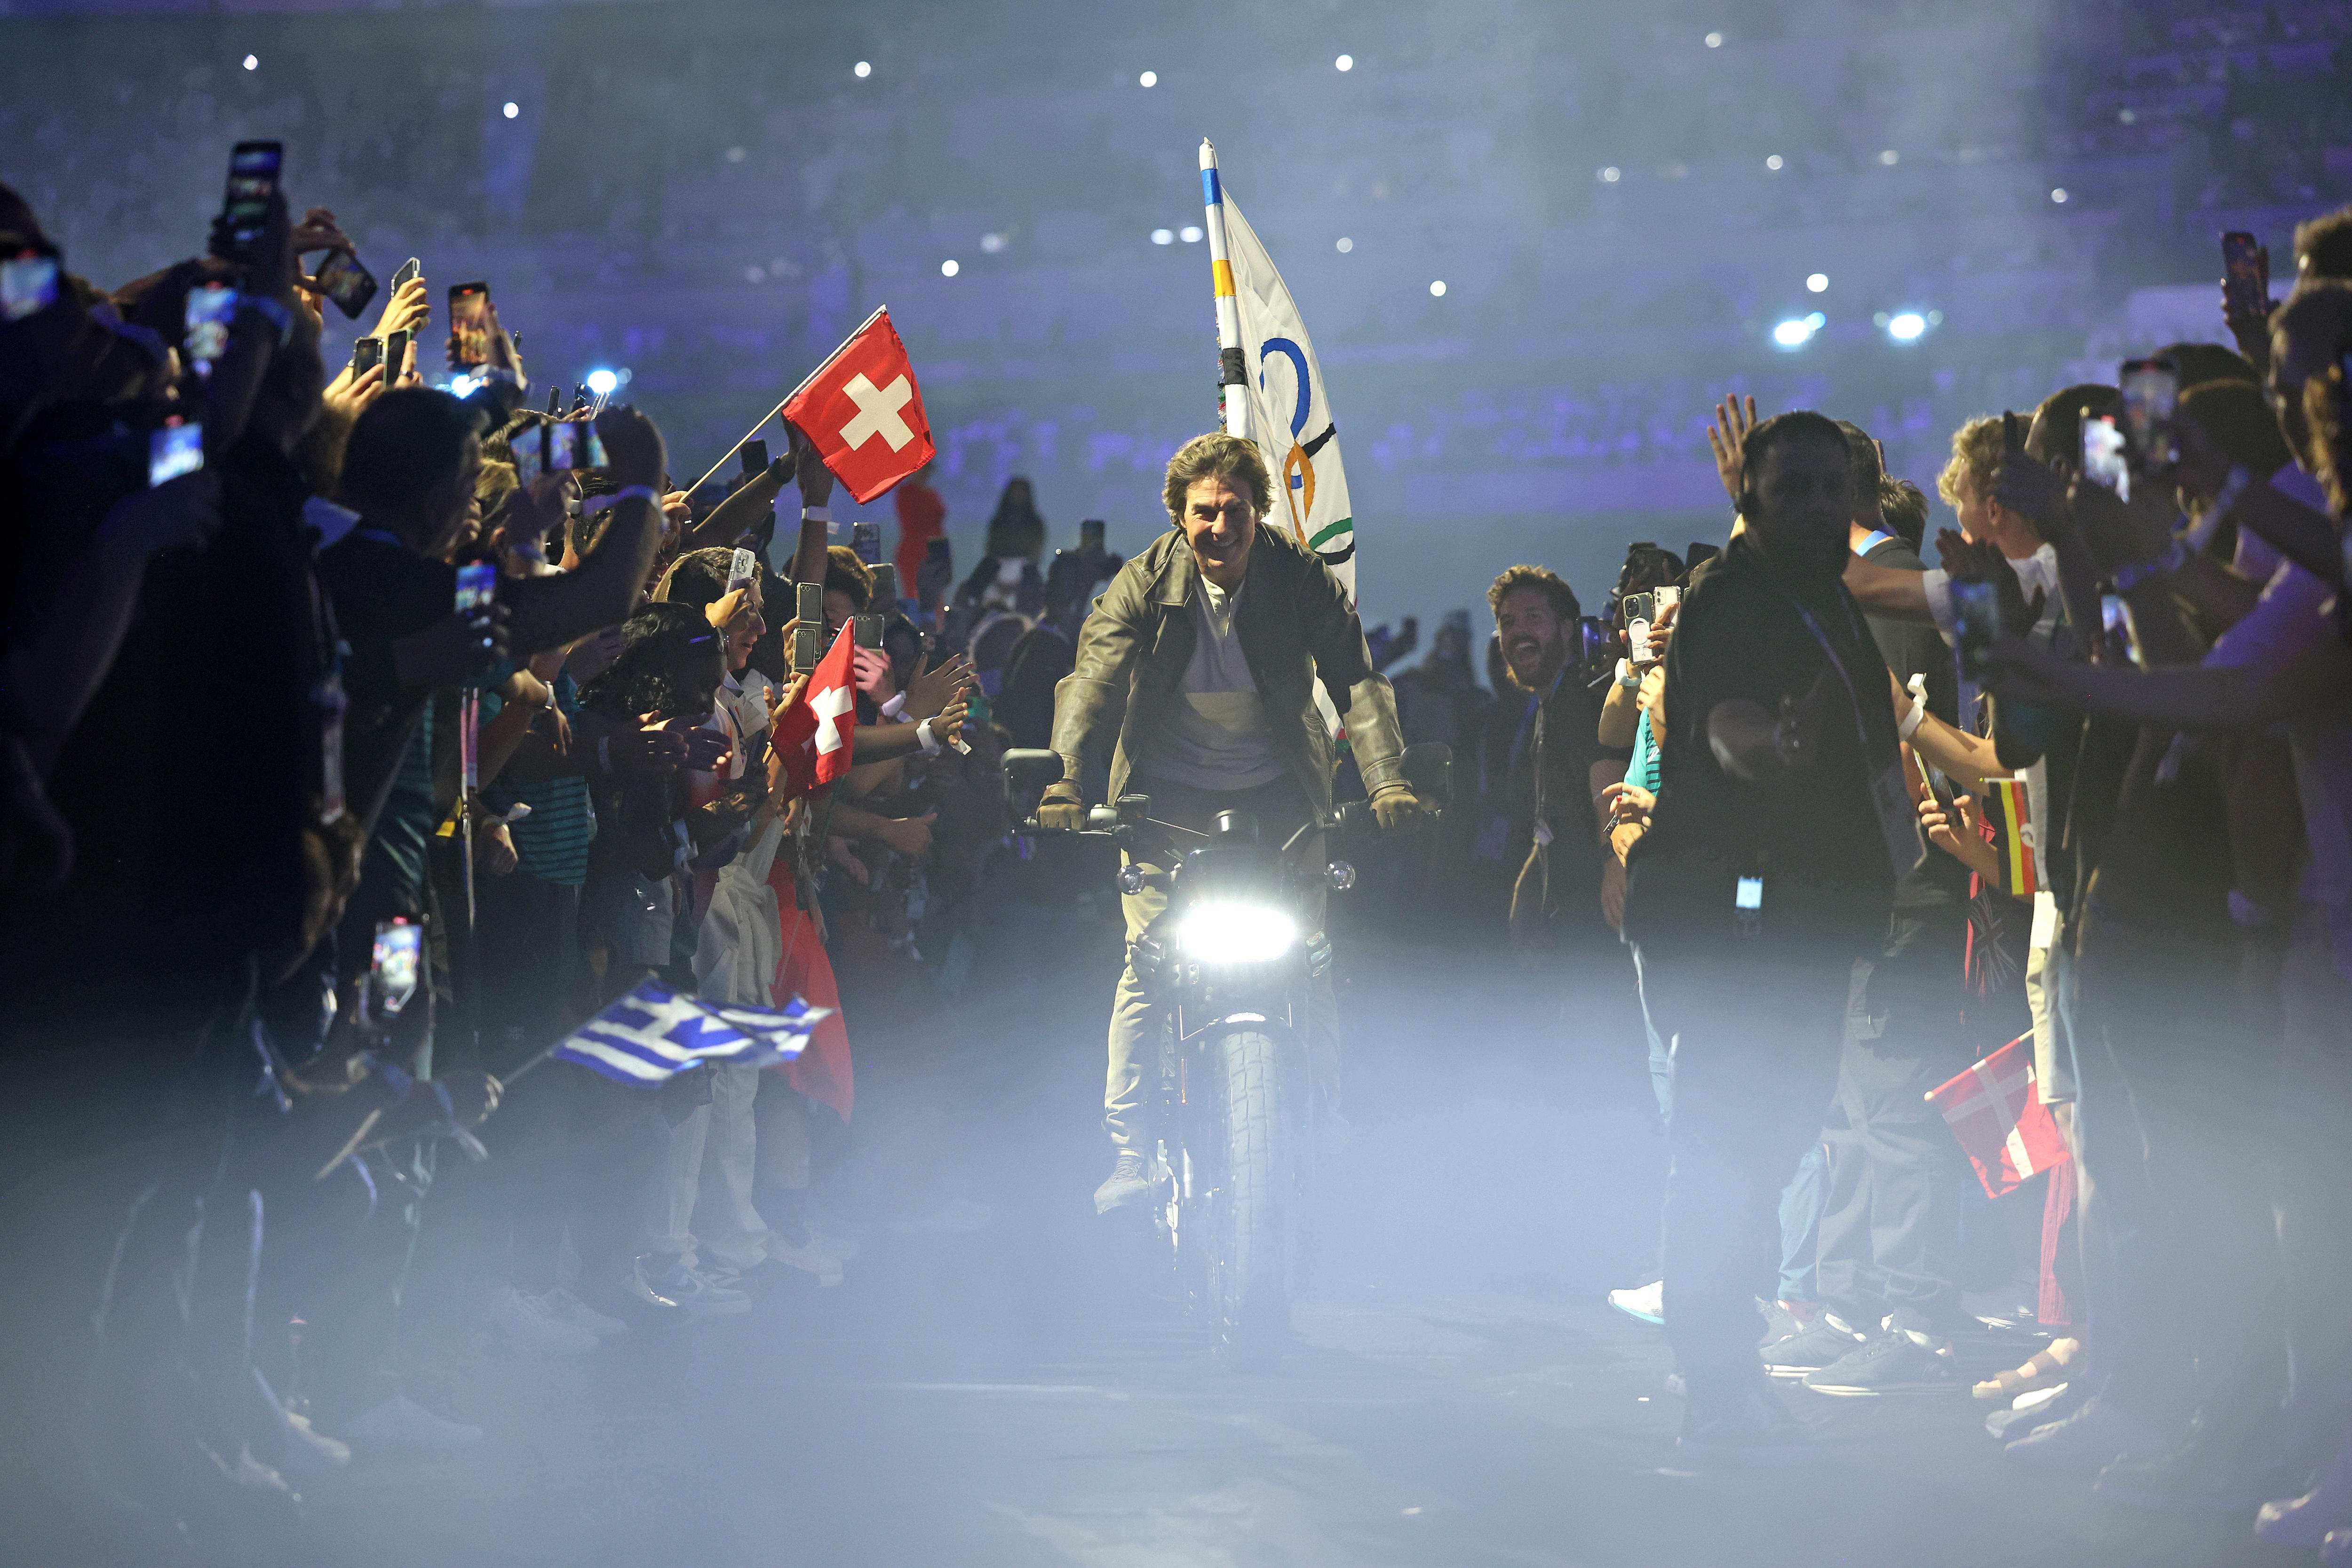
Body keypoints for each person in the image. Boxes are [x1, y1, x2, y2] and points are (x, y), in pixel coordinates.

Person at [1622, 410, 1912, 1461]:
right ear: (1748, 498)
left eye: (1829, 488)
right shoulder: (1736, 597)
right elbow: (1723, 722)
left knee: (1769, 1136)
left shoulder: (1817, 584)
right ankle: (1717, 1381)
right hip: (1739, 921)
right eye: (1789, 489)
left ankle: (1727, 1359)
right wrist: (1772, 744)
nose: (1816, 507)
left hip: (1800, 916)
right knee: (1725, 1150)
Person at [1040, 431, 1421, 1212]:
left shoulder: (1301, 578)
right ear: (1180, 519)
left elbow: (1357, 678)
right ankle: (1132, 1153)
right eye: (1204, 512)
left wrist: (1387, 782)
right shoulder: (1142, 581)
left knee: (1311, 962)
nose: (1221, 526)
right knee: (1145, 966)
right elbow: (1092, 680)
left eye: (1235, 510)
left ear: (1261, 511)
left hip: (1283, 797)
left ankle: (1324, 1131)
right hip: (1164, 803)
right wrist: (1066, 779)